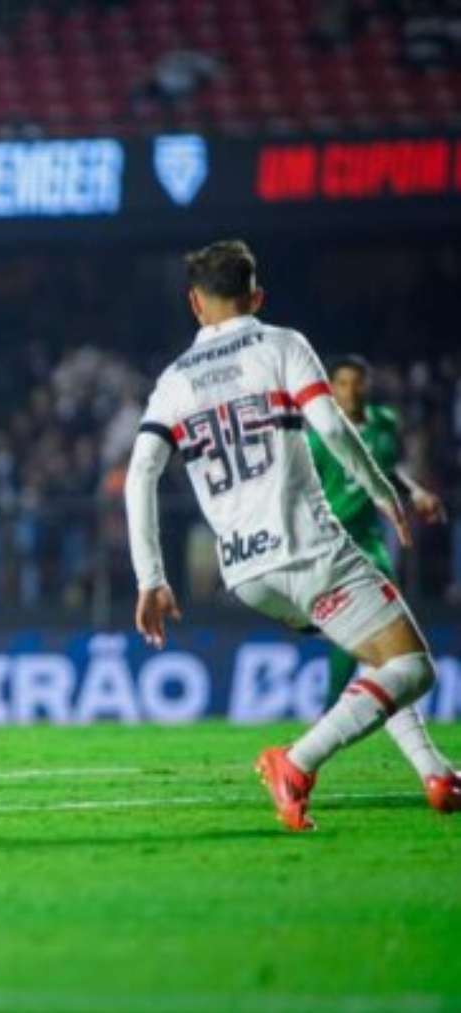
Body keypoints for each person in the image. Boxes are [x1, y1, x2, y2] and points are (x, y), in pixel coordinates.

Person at [124, 239, 458, 831]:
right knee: (412, 667)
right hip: (309, 548)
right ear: (256, 295)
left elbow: (141, 474)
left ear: (194, 304)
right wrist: (383, 491)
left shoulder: (174, 381)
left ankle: (435, 773)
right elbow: (330, 425)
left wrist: (152, 577)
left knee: (371, 652)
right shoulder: (282, 345)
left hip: (247, 574)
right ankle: (296, 764)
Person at [310, 353, 448, 705]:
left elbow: (385, 469)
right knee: (355, 626)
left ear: (368, 386)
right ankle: (337, 707)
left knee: (381, 618)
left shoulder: (384, 422)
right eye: (342, 383)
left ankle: (362, 705)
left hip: (369, 539)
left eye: (358, 383)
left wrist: (415, 491)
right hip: (331, 543)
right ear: (330, 388)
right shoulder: (318, 436)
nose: (351, 391)